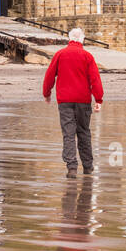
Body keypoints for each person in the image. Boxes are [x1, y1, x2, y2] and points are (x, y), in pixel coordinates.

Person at [42, 27, 103, 177]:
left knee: (68, 134)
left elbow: (49, 76)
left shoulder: (60, 54)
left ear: (69, 39)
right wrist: (98, 99)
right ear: (82, 39)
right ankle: (88, 166)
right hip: (83, 100)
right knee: (84, 132)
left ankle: (72, 167)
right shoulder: (87, 56)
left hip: (65, 101)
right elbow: (95, 79)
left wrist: (47, 93)